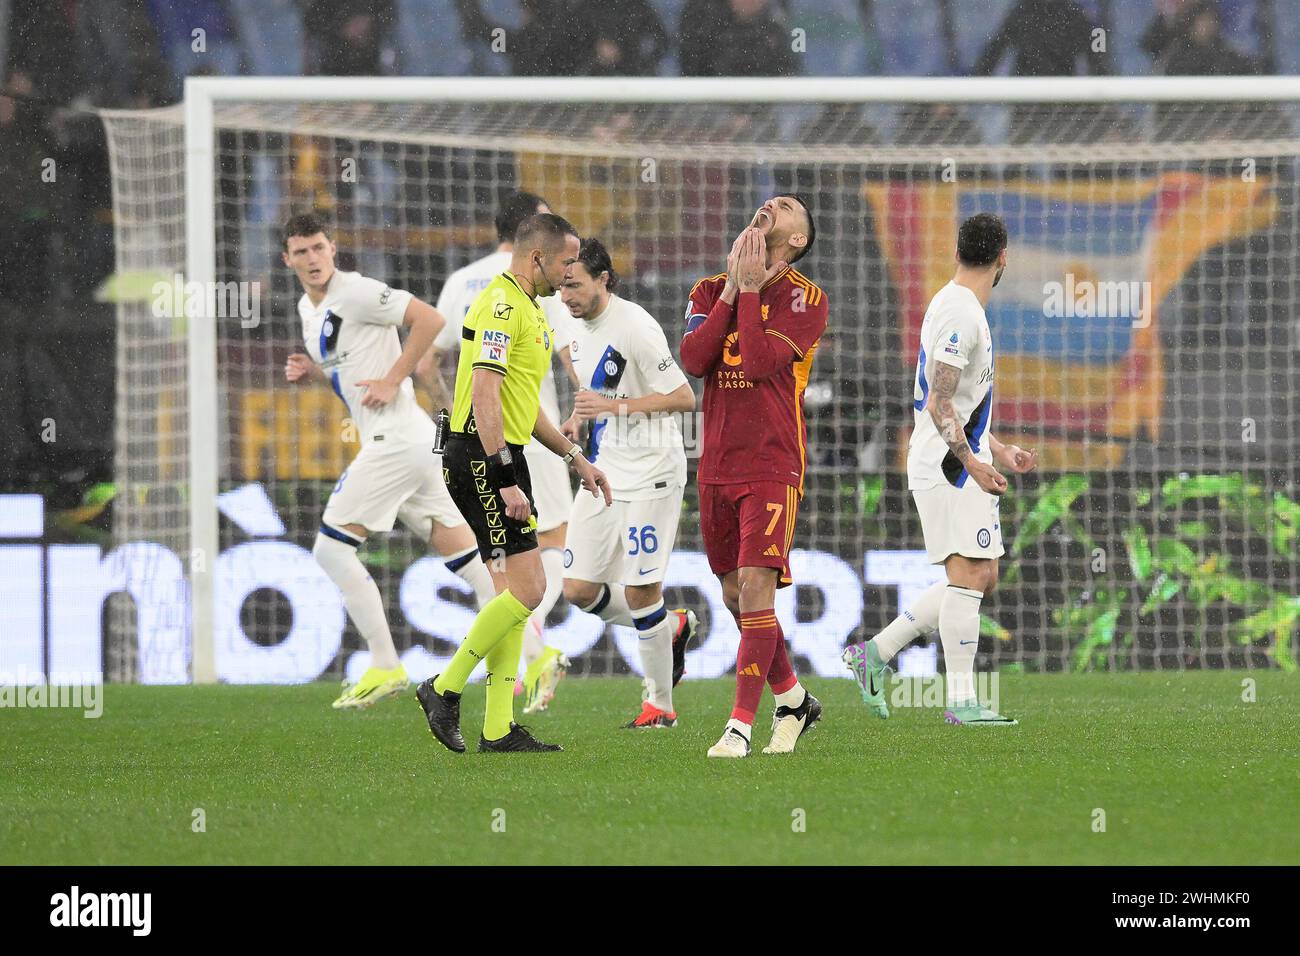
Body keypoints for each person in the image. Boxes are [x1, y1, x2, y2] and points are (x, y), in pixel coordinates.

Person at [281, 212, 497, 710]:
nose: (312, 259)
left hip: (395, 441)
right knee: (470, 562)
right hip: (416, 441)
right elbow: (353, 375)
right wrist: (316, 374)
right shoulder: (307, 309)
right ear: (287, 259)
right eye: (301, 252)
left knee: (330, 551)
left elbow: (430, 319)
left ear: (333, 248)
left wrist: (394, 377)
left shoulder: (355, 291)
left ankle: (384, 665)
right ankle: (534, 654)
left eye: (318, 248)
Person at [415, 213, 611, 754]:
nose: (573, 270)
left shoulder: (530, 308)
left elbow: (523, 407)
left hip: (499, 451)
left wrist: (576, 458)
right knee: (530, 589)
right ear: (537, 258)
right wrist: (504, 476)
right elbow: (484, 393)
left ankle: (497, 728)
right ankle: (444, 687)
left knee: (512, 595)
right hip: (481, 455)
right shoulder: (501, 305)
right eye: (568, 260)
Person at [842, 213, 1037, 726]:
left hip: (959, 459)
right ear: (1003, 259)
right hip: (949, 467)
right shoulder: (961, 315)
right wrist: (972, 461)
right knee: (969, 575)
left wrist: (998, 447)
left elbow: (961, 403)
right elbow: (939, 403)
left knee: (981, 575)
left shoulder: (960, 306)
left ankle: (875, 655)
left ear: (957, 252)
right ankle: (962, 702)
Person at [679, 195, 827, 758]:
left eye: (785, 206)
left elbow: (763, 362)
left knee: (757, 585)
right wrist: (734, 289)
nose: (771, 204)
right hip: (716, 462)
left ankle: (740, 725)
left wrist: (747, 291)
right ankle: (793, 699)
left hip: (771, 460)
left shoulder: (806, 298)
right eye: (769, 199)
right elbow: (694, 359)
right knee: (736, 595)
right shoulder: (706, 288)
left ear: (797, 241)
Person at [557, 239, 699, 729]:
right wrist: (578, 419)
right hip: (605, 469)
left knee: (641, 592)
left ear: (604, 280)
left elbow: (683, 398)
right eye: (560, 286)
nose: (565, 296)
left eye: (573, 285)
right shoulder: (574, 330)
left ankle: (660, 706)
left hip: (653, 472)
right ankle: (670, 626)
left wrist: (615, 410)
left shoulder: (636, 326)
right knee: (577, 589)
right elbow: (592, 392)